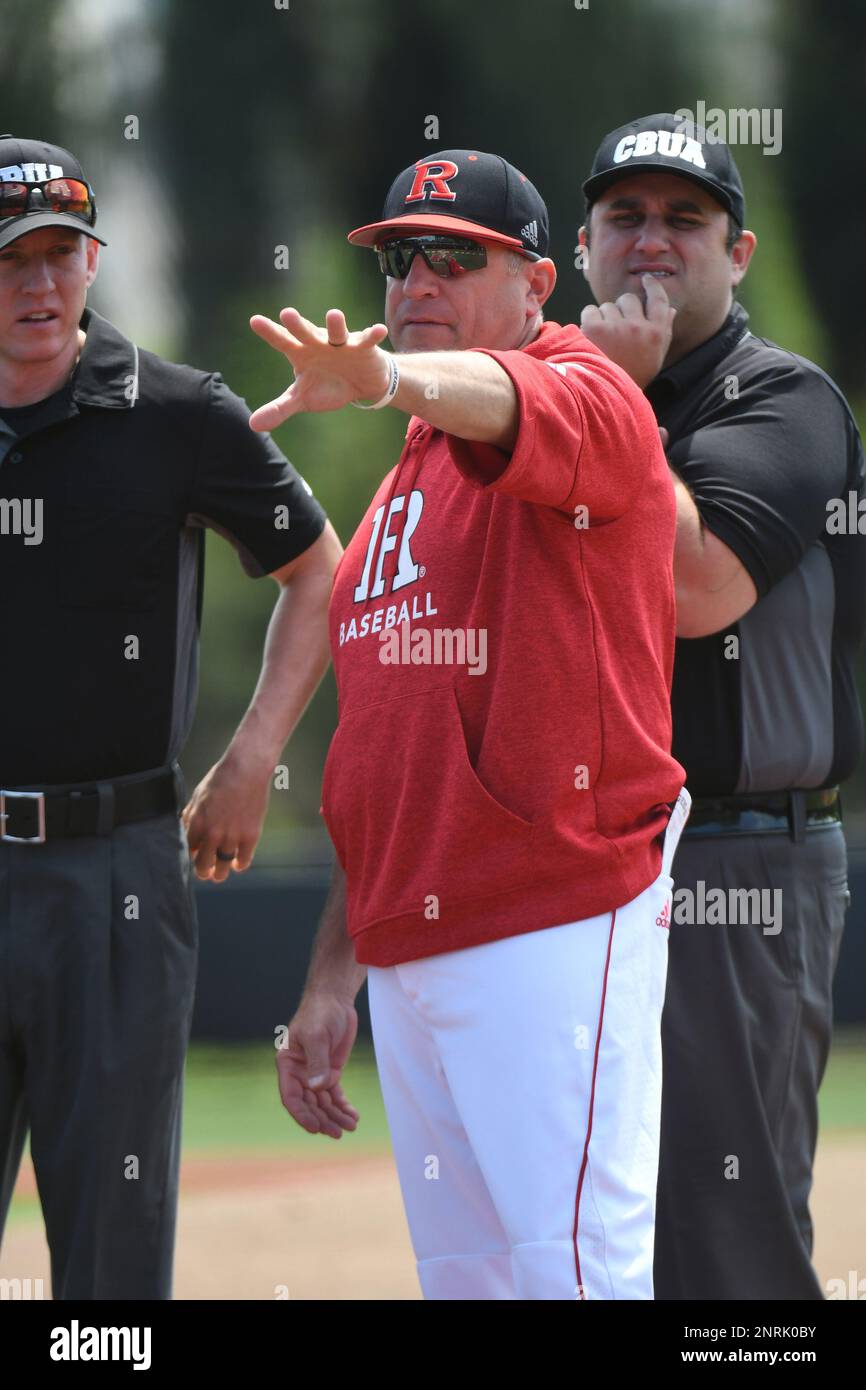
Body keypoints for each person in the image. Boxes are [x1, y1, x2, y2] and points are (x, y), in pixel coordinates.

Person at [257, 149, 690, 1301]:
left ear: (537, 283)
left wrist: (389, 380)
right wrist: (332, 977)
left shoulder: (585, 386)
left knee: (573, 1276)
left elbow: (505, 399)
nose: (416, 283)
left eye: (455, 257)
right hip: (413, 947)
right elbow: (381, 757)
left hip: (550, 912)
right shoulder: (406, 476)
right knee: (472, 1284)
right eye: (402, 259)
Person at [0, 134, 342, 1299]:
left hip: (117, 878)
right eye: (10, 261)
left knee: (111, 1256)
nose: (38, 286)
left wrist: (252, 759)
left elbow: (317, 566)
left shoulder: (180, 413)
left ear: (93, 264)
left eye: (60, 255)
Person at [577, 112, 866, 1300]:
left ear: (735, 254)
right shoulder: (560, 392)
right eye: (623, 218)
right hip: (577, 876)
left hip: (737, 862)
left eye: (683, 221)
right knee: (595, 1237)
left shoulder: (783, 399)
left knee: (724, 1251)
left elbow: (695, 588)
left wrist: (619, 404)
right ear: (581, 249)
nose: (650, 244)